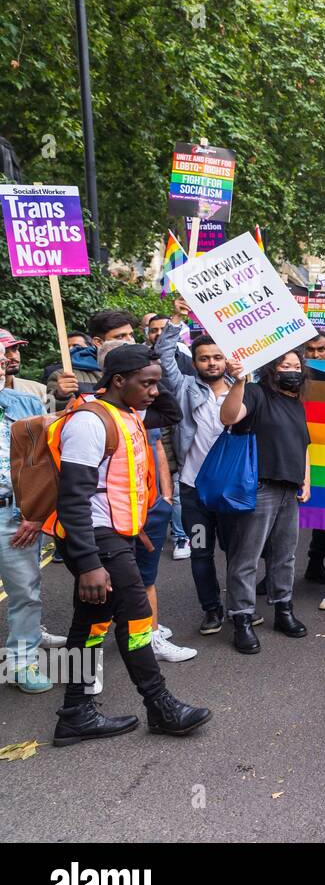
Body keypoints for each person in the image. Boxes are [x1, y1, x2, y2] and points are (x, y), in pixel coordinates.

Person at [44, 344, 210, 745]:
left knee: (88, 625)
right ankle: (160, 706)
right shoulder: (89, 422)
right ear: (118, 381)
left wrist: (152, 370)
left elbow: (170, 412)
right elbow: (73, 497)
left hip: (113, 536)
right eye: (147, 384)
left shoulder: (128, 412)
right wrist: (87, 563)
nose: (155, 392)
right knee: (136, 616)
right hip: (94, 539)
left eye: (156, 383)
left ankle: (74, 714)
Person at [220, 350, 312, 653]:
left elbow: (304, 444)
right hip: (259, 488)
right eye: (286, 365)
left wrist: (306, 479)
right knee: (246, 557)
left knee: (285, 555)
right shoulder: (257, 394)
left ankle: (283, 609)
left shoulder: (296, 404)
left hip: (290, 489)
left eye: (297, 366)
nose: (292, 370)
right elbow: (229, 417)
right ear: (272, 369)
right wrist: (238, 382)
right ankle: (242, 618)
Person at [157, 314, 238, 636]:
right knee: (201, 553)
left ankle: (238, 607)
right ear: (195, 361)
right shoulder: (184, 386)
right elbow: (163, 355)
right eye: (204, 358)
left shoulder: (242, 389)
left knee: (236, 553)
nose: (212, 363)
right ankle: (211, 610)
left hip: (232, 492)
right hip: (193, 493)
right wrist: (174, 324)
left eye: (218, 357)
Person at [1, 369, 74, 693]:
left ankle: (20, 662)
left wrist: (35, 510)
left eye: (0, 363)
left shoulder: (23, 403)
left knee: (24, 592)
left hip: (14, 515)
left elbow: (49, 448)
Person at [49, 309, 135, 409]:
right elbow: (49, 413)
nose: (130, 341)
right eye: (120, 337)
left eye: (131, 335)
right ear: (98, 342)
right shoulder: (66, 376)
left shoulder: (143, 369)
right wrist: (60, 396)